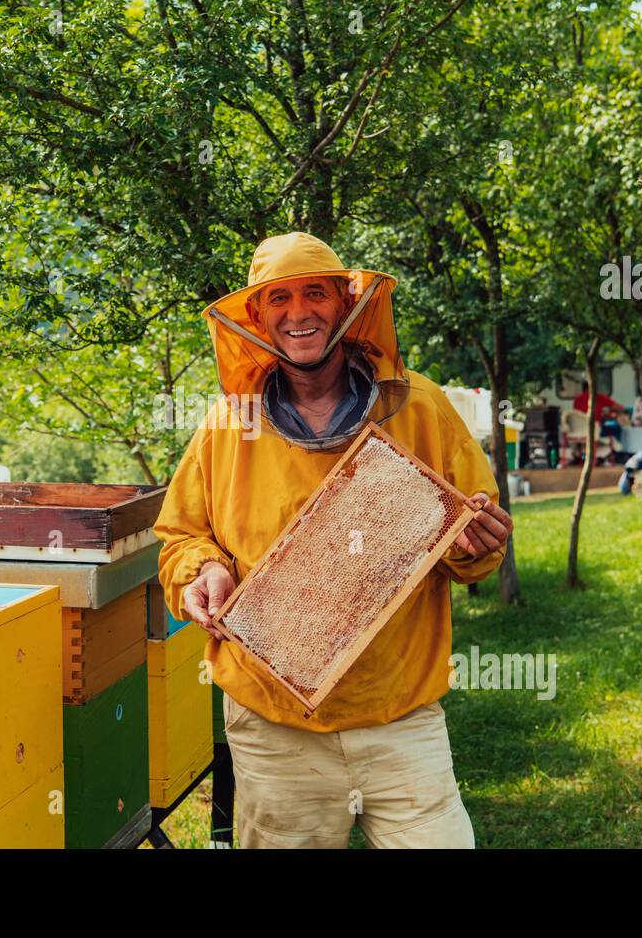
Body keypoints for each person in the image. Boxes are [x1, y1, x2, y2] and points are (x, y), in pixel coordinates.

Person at [153, 232, 510, 849]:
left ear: (344, 306)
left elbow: (472, 544)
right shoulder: (226, 426)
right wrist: (201, 572)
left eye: (315, 293)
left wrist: (476, 544)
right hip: (274, 726)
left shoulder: (421, 409)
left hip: (398, 714)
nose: (298, 313)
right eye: (279, 299)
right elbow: (181, 537)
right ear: (257, 318)